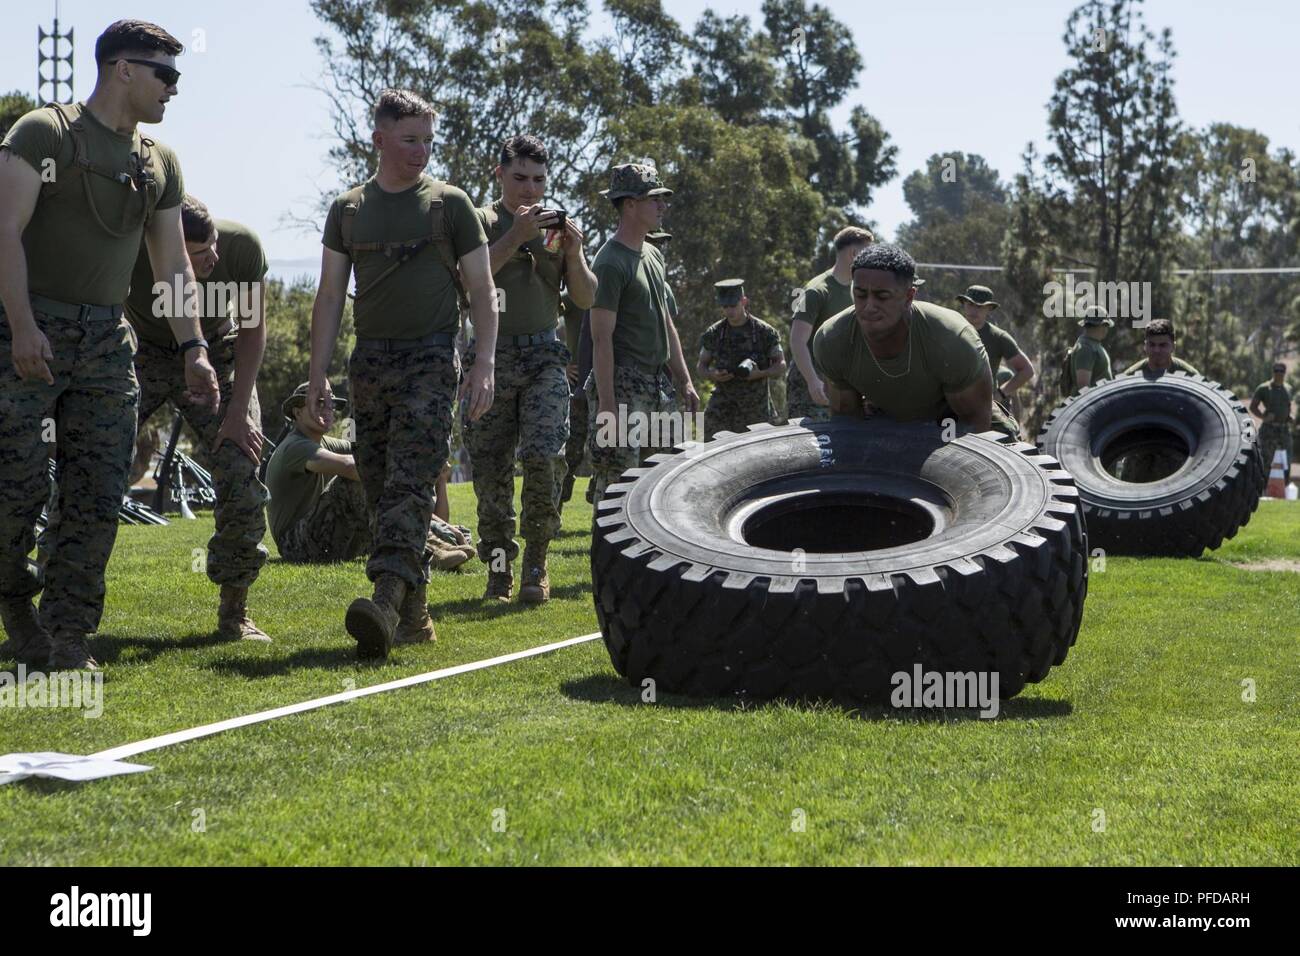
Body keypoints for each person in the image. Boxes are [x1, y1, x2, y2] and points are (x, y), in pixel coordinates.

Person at [0, 20, 219, 671]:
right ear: (123, 68)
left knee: (95, 496)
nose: (173, 90)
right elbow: (4, 231)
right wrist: (21, 326)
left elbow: (173, 263)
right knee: (15, 490)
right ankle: (15, 604)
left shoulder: (158, 162)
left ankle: (67, 635)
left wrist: (194, 347)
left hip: (103, 342)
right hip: (27, 331)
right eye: (165, 75)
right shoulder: (45, 134)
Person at [307, 89, 497, 660]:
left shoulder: (450, 204)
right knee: (379, 480)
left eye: (427, 141)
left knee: (413, 479)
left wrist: (484, 362)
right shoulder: (349, 210)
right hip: (369, 361)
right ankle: (414, 614)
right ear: (380, 139)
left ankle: (386, 597)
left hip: (432, 359)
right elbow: (330, 296)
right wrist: (318, 377)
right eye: (410, 140)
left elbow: (485, 292)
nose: (421, 152)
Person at [123, 196, 271, 641]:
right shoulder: (129, 250)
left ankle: (235, 613)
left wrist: (238, 412)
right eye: (199, 254)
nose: (213, 259)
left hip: (216, 352)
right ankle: (60, 617)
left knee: (243, 467)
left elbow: (252, 330)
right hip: (144, 353)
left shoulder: (242, 248)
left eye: (213, 247)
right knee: (87, 464)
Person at [466, 135, 596, 603]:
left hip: (544, 355)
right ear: (498, 174)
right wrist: (515, 237)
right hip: (490, 358)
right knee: (491, 470)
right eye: (519, 178)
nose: (529, 189)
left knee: (545, 456)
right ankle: (499, 571)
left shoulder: (556, 226)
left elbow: (584, 298)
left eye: (538, 180)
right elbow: (467, 281)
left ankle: (536, 566)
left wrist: (576, 254)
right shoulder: (479, 221)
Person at [266, 385, 474, 579]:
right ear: (297, 411)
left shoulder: (325, 442)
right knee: (355, 480)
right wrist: (406, 474)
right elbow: (351, 467)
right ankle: (427, 550)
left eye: (331, 404)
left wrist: (427, 466)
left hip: (330, 537)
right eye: (319, 403)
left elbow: (372, 455)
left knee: (457, 533)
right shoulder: (294, 446)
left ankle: (434, 542)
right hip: (297, 546)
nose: (328, 409)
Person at [812, 244, 1017, 437]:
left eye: (882, 296)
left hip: (953, 419)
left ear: (909, 296)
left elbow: (975, 426)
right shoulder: (832, 340)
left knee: (1006, 454)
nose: (869, 306)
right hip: (887, 417)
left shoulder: (953, 340)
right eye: (860, 294)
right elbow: (847, 423)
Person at [586, 163, 699, 508]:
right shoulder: (609, 262)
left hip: (658, 385)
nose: (662, 206)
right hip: (622, 387)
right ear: (629, 205)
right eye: (654, 199)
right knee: (618, 489)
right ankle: (609, 562)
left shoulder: (652, 254)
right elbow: (601, 339)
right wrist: (607, 407)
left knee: (662, 485)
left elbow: (667, 323)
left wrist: (685, 380)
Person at [786, 226, 873, 422]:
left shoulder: (859, 291)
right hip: (812, 387)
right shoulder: (816, 291)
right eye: (868, 253)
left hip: (841, 383)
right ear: (854, 254)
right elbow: (797, 341)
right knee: (808, 449)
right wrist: (812, 381)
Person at [696, 279, 785, 439]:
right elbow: (701, 366)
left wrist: (760, 373)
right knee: (711, 452)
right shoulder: (714, 333)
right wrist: (713, 375)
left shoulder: (764, 332)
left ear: (744, 301)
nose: (729, 311)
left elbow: (781, 365)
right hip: (722, 411)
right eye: (725, 307)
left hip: (756, 411)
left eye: (733, 306)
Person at [955, 285, 1034, 422]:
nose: (973, 310)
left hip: (985, 409)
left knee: (1008, 436)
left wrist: (1000, 394)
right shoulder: (950, 330)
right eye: (970, 304)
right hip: (952, 405)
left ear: (989, 309)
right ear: (964, 304)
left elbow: (1027, 370)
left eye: (979, 306)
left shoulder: (998, 337)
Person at [1250, 362, 1295, 483]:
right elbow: (1253, 407)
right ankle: (1263, 487)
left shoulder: (1288, 388)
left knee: (1287, 459)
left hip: (1284, 429)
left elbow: (1288, 405)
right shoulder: (1264, 388)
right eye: (1276, 371)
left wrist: (1289, 416)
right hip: (1269, 429)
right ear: (1273, 372)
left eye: (1281, 371)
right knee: (1265, 459)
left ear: (1284, 373)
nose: (1278, 373)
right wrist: (1263, 417)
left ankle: (1284, 487)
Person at [1121, 319, 1199, 377]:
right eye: (1152, 345)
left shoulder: (1190, 376)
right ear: (1145, 346)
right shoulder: (1131, 376)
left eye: (1163, 345)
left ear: (1173, 346)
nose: (1157, 350)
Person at [1067, 306, 1114, 394]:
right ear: (1101, 325)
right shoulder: (1085, 348)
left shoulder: (1093, 344)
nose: (1106, 329)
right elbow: (1083, 387)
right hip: (1095, 405)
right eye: (1106, 325)